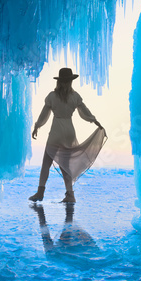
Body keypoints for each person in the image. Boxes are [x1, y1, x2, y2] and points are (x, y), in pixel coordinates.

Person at [29, 67, 106, 203]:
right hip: (69, 132)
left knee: (46, 163)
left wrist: (37, 126)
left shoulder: (52, 96)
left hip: (56, 132)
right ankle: (70, 194)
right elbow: (85, 112)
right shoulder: (75, 96)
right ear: (70, 81)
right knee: (65, 165)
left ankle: (40, 192)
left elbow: (44, 115)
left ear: (59, 82)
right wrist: (95, 121)